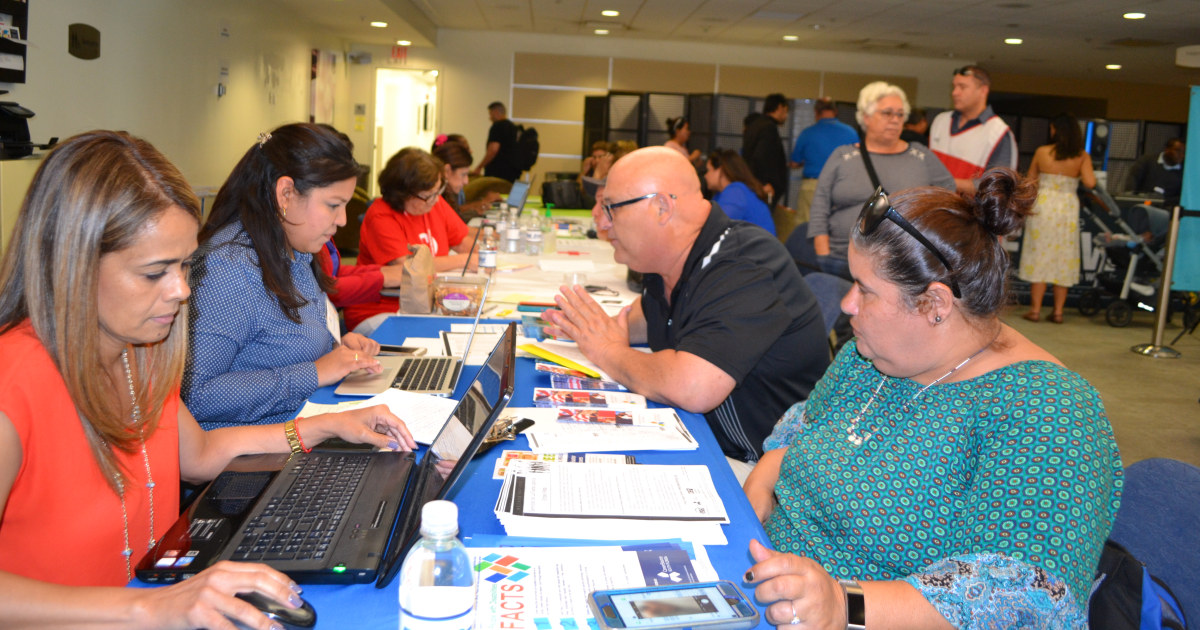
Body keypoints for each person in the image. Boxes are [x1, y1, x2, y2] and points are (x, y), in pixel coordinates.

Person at [0, 130, 414, 627]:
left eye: (185, 266)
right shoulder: (15, 380)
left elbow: (198, 457)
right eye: (155, 273)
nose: (180, 290)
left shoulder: (138, 351)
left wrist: (327, 428)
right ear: (73, 263)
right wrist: (150, 607)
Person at [742, 169, 1121, 628]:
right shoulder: (874, 354)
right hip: (766, 578)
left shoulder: (1048, 409)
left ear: (935, 305)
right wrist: (758, 491)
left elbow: (1029, 596)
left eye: (865, 290)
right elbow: (801, 432)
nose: (846, 304)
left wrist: (846, 605)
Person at [542, 147, 830, 482]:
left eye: (611, 208)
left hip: (759, 471)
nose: (601, 221)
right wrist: (593, 330)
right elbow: (641, 320)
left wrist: (607, 351)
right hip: (706, 441)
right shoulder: (669, 262)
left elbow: (692, 387)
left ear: (661, 207)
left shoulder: (745, 263)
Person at [186, 123, 387, 429]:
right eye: (333, 205)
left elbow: (284, 343)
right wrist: (315, 373)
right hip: (252, 457)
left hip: (306, 424)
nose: (343, 220)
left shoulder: (294, 248)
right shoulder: (229, 268)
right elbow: (197, 397)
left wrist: (338, 350)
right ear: (286, 194)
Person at [809, 81, 954, 281]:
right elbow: (820, 204)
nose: (895, 120)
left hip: (903, 265)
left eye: (900, 114)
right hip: (841, 260)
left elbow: (949, 198)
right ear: (866, 117)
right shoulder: (843, 156)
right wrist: (822, 250)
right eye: (887, 113)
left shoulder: (921, 156)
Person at [345, 148, 475, 333]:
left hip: (425, 304)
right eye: (427, 195)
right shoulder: (381, 215)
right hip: (380, 311)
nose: (434, 200)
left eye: (438, 191)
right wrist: (465, 260)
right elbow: (410, 269)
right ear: (402, 193)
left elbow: (464, 242)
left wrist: (482, 255)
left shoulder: (433, 202)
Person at [1019, 113, 1096, 324]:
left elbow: (1030, 180)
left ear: (1056, 130)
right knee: (1064, 256)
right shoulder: (1082, 155)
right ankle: (1058, 312)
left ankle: (1035, 310)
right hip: (1067, 208)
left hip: (1044, 205)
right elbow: (1090, 182)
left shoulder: (1042, 152)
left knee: (1039, 254)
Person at [928, 65, 1017, 195]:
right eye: (954, 86)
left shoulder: (998, 133)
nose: (954, 92)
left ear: (983, 91)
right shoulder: (940, 121)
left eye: (962, 87)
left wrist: (945, 183)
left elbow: (998, 187)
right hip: (933, 208)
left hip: (968, 213)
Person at [789, 97, 858, 224]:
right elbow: (858, 161)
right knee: (837, 225)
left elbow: (794, 163)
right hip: (841, 186)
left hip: (812, 186)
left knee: (806, 226)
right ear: (835, 111)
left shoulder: (807, 133)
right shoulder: (851, 133)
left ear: (816, 112)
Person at [704, 149, 776, 235]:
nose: (705, 176)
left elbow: (714, 227)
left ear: (720, 170)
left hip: (760, 247)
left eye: (708, 170)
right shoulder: (724, 193)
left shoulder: (735, 192)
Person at [742, 93, 791, 209]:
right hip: (763, 187)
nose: (786, 116)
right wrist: (764, 183)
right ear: (779, 107)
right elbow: (760, 156)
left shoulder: (755, 125)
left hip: (752, 183)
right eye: (786, 110)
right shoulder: (769, 128)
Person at [433, 139, 501, 222]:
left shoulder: (448, 192)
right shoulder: (434, 199)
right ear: (447, 171)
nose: (466, 181)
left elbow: (456, 220)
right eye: (463, 174)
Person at [1123, 137, 1185, 209]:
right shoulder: (1147, 161)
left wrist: (1162, 202)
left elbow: (1181, 197)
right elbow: (1133, 181)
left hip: (1167, 209)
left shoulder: (1184, 171)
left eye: (1183, 152)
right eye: (1177, 151)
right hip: (1142, 205)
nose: (1181, 155)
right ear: (1167, 149)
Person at [470, 101, 522, 182]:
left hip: (497, 172)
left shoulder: (497, 126)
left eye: (490, 113)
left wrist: (479, 167)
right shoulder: (513, 127)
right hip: (511, 173)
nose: (490, 117)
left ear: (496, 112)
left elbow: (493, 149)